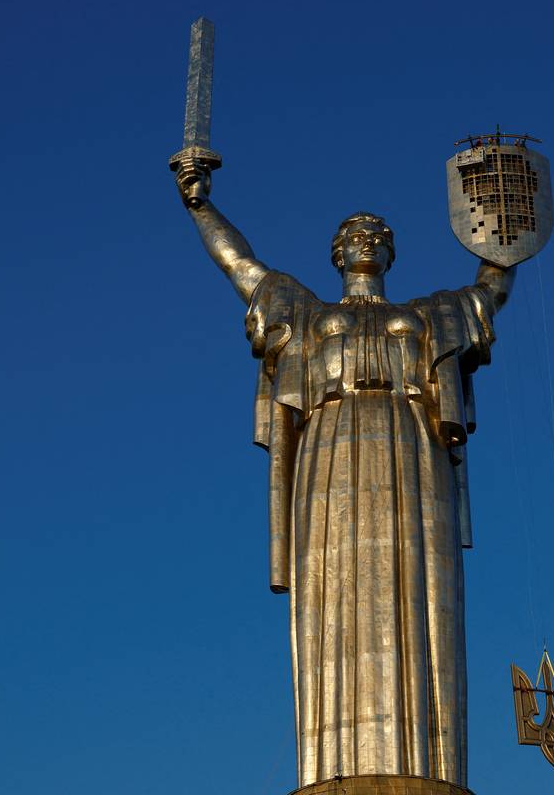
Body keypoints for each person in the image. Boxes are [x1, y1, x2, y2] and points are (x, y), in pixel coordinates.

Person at [175, 158, 514, 788]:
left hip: (412, 443)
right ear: (336, 253)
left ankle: (423, 764)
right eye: (354, 234)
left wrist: (505, 239)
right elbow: (241, 269)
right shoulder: (304, 313)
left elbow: (486, 296)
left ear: (390, 255)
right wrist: (201, 206)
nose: (365, 239)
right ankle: (336, 765)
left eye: (377, 235)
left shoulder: (428, 312)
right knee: (333, 586)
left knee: (418, 581)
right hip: (328, 447)